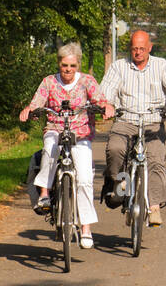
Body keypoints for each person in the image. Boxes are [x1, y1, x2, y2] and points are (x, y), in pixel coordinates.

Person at [19, 43, 113, 249]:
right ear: (58, 64)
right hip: (56, 128)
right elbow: (37, 101)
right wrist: (30, 109)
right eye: (64, 65)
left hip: (80, 133)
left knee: (85, 179)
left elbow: (100, 99)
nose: (68, 69)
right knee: (49, 150)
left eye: (72, 65)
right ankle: (45, 194)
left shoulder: (87, 81)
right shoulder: (49, 82)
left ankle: (86, 228)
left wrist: (106, 107)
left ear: (78, 64)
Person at [99, 30, 166, 226]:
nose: (138, 52)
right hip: (125, 120)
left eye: (142, 49)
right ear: (130, 48)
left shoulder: (162, 66)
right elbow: (107, 90)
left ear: (150, 48)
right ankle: (119, 184)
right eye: (135, 48)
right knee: (115, 149)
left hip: (153, 122)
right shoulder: (119, 67)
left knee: (155, 159)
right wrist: (108, 105)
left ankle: (154, 207)